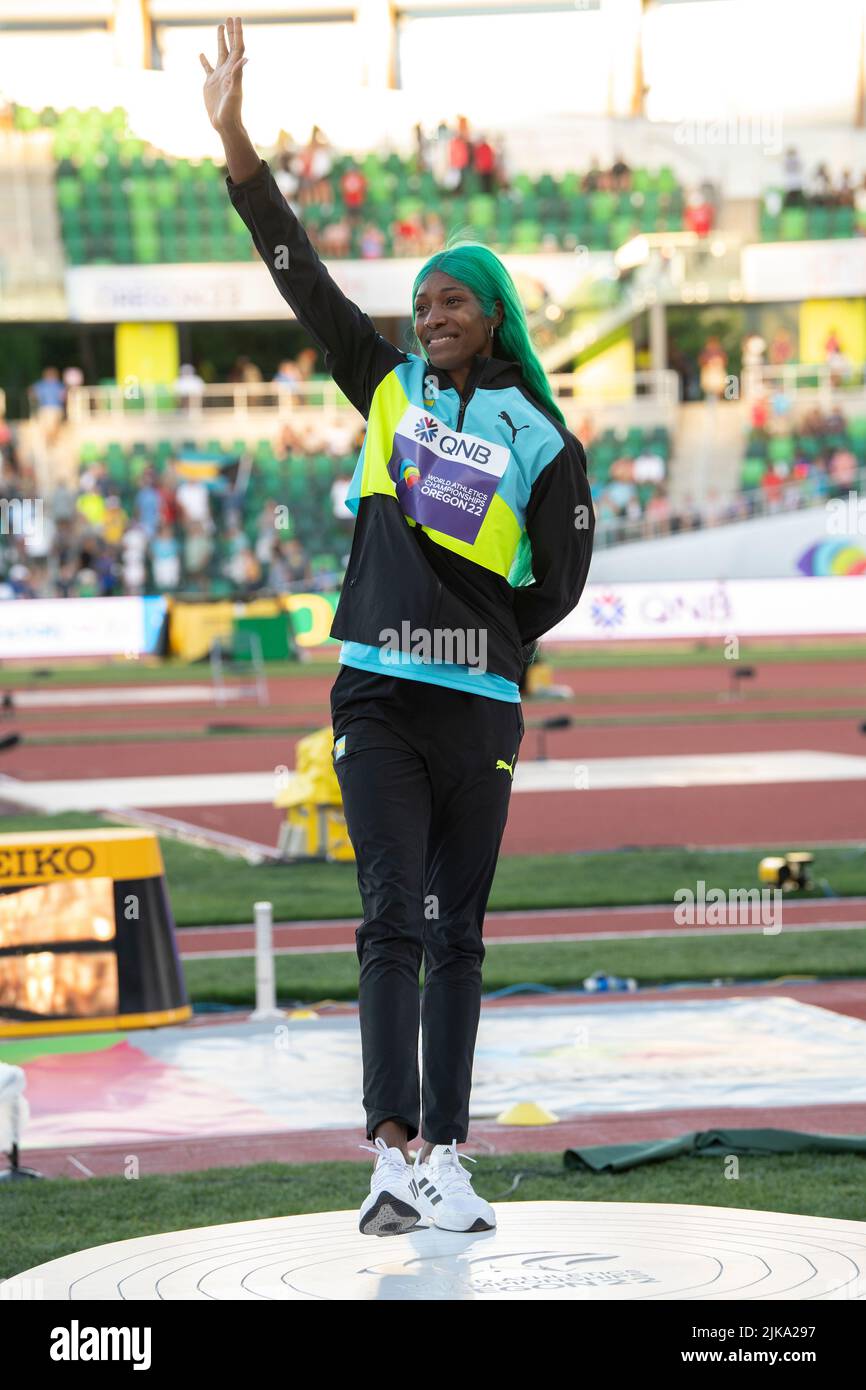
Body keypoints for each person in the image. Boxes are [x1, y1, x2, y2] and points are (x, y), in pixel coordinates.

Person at [203, 16, 593, 1238]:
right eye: (419, 303)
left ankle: (449, 1155)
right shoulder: (380, 385)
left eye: (449, 304)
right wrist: (233, 142)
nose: (426, 316)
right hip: (372, 690)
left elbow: (562, 582)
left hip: (474, 702)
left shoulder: (542, 438)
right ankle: (387, 1152)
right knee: (389, 918)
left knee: (457, 929)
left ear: (491, 319)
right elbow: (298, 271)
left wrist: (482, 634)